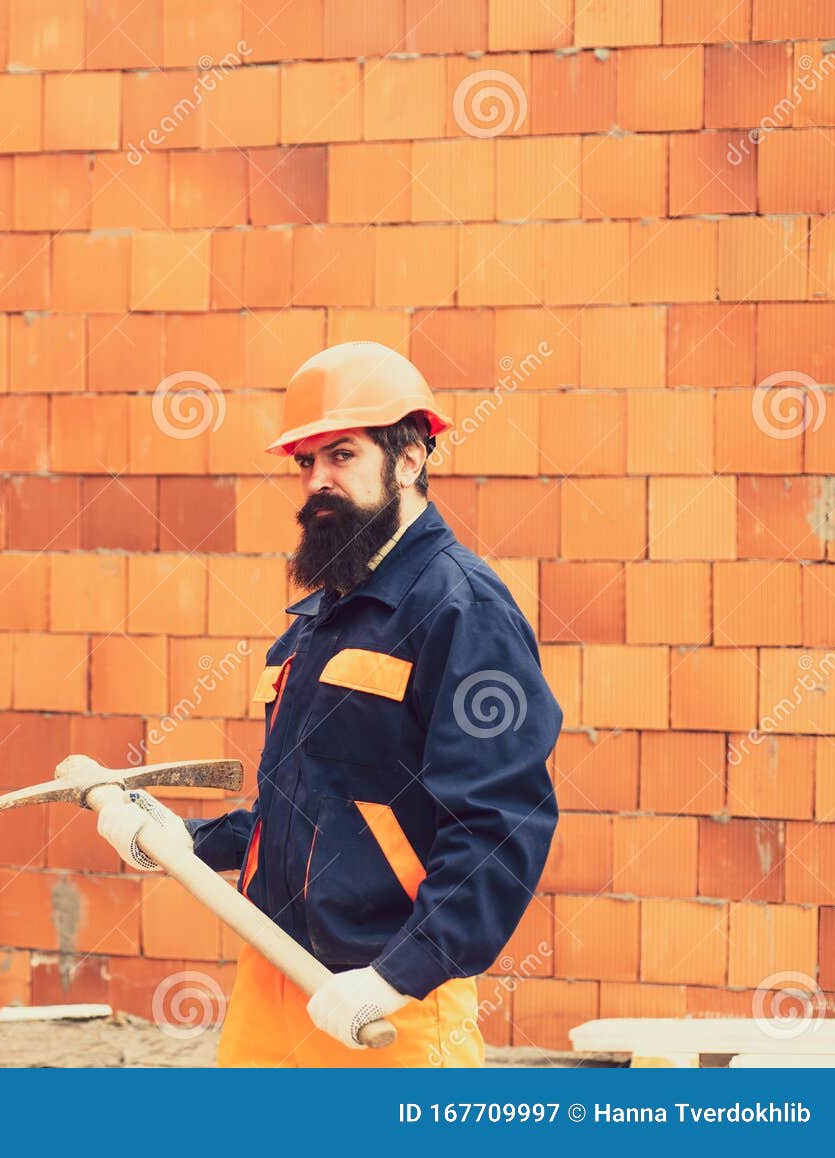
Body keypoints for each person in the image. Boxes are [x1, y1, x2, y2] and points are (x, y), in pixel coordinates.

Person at [98, 341, 561, 1066]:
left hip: (388, 1006)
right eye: (306, 461)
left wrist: (396, 975)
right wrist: (188, 840)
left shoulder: (461, 610)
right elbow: (314, 804)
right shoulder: (325, 615)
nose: (318, 480)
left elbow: (500, 824)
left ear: (408, 459)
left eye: (342, 455)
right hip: (274, 975)